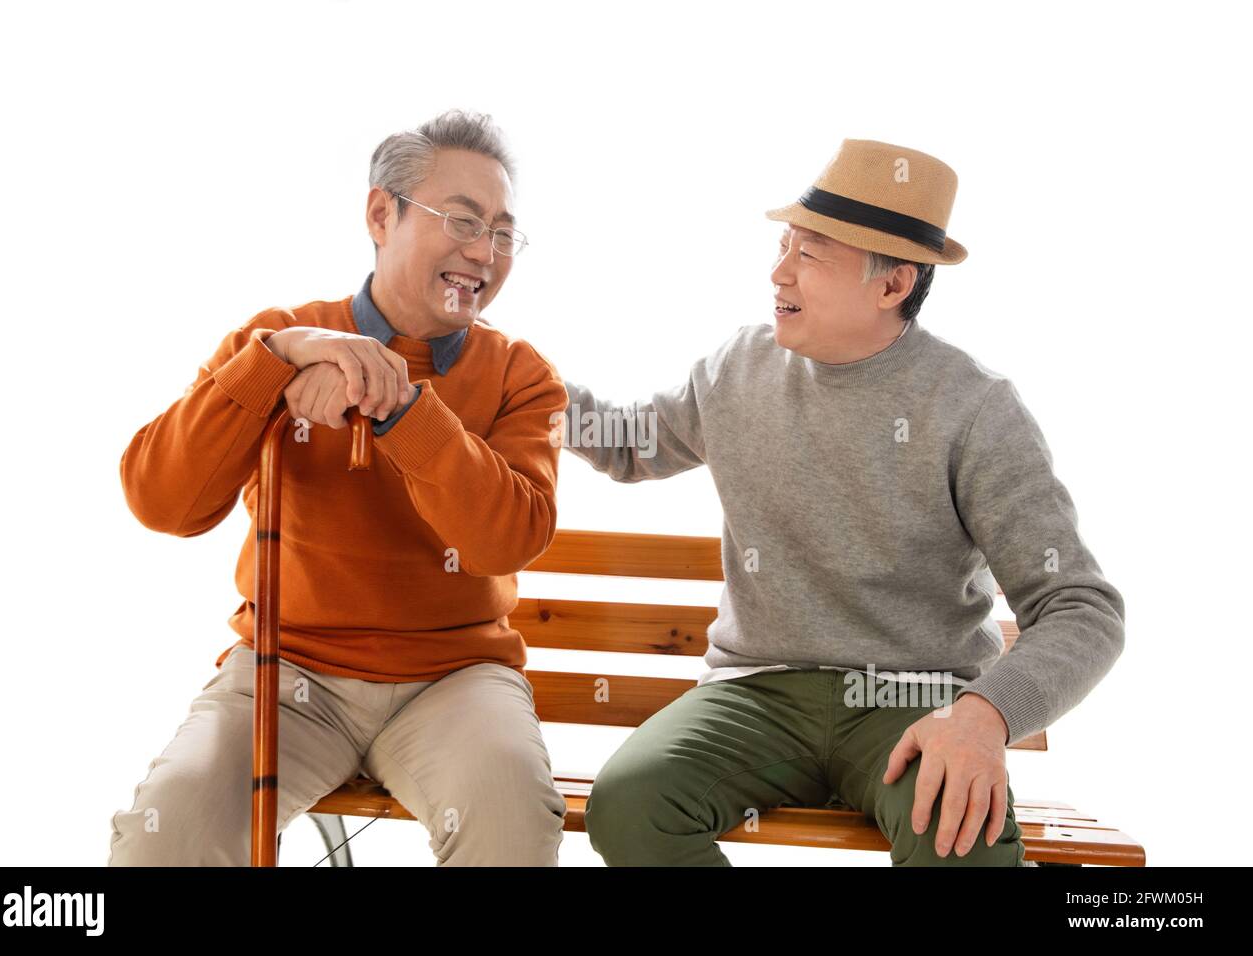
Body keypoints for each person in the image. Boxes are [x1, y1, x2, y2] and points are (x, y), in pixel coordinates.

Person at [561, 139, 1126, 866]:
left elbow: (1083, 607)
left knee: (962, 838)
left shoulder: (974, 408)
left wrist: (984, 715)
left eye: (809, 255)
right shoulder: (740, 368)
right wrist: (507, 379)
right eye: (784, 244)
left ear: (892, 285)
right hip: (757, 695)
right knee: (633, 804)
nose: (778, 272)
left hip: (914, 701)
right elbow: (626, 444)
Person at [109, 109, 568, 866]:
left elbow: (505, 539)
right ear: (380, 214)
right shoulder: (275, 340)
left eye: (503, 232)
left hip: (451, 682)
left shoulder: (523, 376)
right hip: (286, 676)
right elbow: (163, 503)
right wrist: (278, 361)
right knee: (170, 828)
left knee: (510, 816)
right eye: (462, 220)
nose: (484, 252)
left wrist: (400, 405)